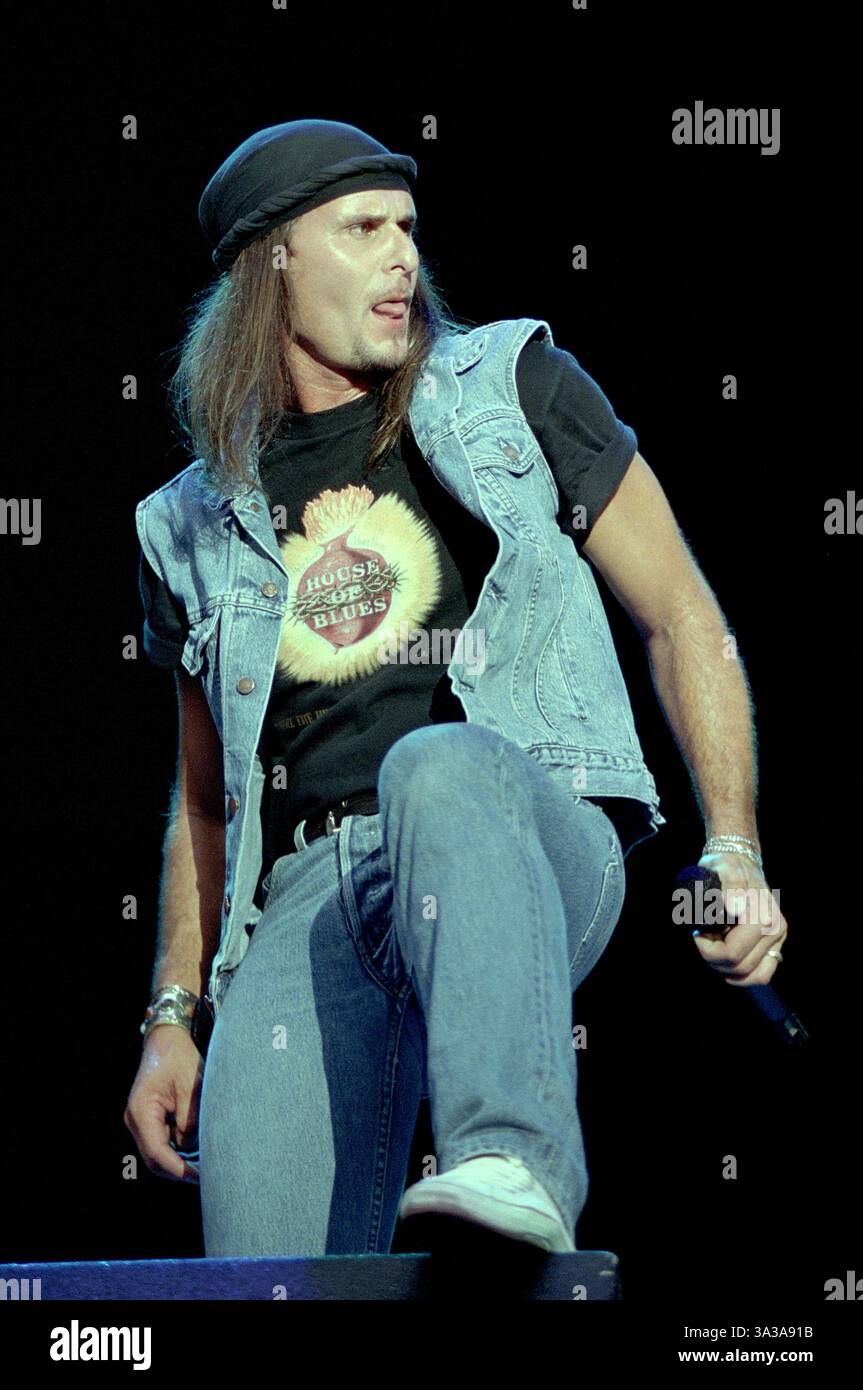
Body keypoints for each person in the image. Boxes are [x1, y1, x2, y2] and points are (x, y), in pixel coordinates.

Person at [123, 119, 788, 1258]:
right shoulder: (183, 520)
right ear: (272, 261)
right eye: (363, 228)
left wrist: (732, 846)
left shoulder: (510, 384)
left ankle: (512, 1161)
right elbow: (203, 798)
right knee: (264, 1281)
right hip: (306, 901)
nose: (402, 257)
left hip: (520, 829)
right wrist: (172, 1016)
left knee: (434, 763)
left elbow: (682, 615)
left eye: (408, 229)